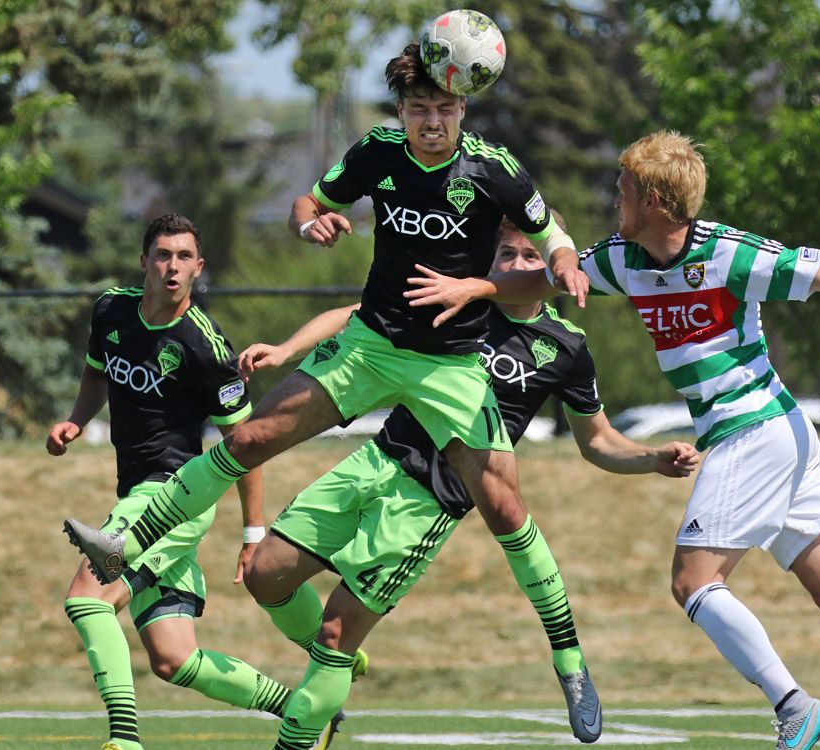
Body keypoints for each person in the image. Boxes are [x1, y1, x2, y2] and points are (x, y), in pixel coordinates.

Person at [62, 44, 601, 745]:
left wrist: (562, 262)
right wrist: (309, 221)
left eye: (442, 110)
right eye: (417, 111)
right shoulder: (379, 151)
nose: (429, 122)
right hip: (370, 344)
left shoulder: (493, 170)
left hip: (450, 365)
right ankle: (128, 542)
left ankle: (570, 659)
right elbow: (307, 201)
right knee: (250, 437)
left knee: (504, 507)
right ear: (401, 113)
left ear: (462, 108)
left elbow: (553, 235)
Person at [405, 130, 820, 750]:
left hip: (752, 428)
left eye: (623, 187)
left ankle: (794, 705)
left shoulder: (730, 255)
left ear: (653, 199)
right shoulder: (621, 259)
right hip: (780, 432)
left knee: (694, 582)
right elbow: (545, 282)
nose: (614, 197)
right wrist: (481, 288)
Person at [235, 214, 700, 749]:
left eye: (533, 256)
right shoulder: (459, 306)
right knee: (264, 575)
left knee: (334, 633)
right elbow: (354, 317)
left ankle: (316, 706)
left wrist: (651, 458)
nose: (520, 266)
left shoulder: (566, 348)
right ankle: (338, 668)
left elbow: (597, 441)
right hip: (376, 460)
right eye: (508, 255)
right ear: (491, 261)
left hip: (429, 503)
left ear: (551, 264)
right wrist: (288, 350)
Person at [53, 214, 339, 750]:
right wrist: (78, 418)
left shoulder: (204, 346)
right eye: (163, 254)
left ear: (199, 268)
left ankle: (124, 740)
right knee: (173, 658)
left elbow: (247, 444)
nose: (172, 267)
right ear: (144, 261)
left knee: (87, 599)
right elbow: (97, 370)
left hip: (174, 498)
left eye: (184, 257)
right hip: (136, 497)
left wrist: (253, 534)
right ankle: (305, 712)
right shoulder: (111, 308)